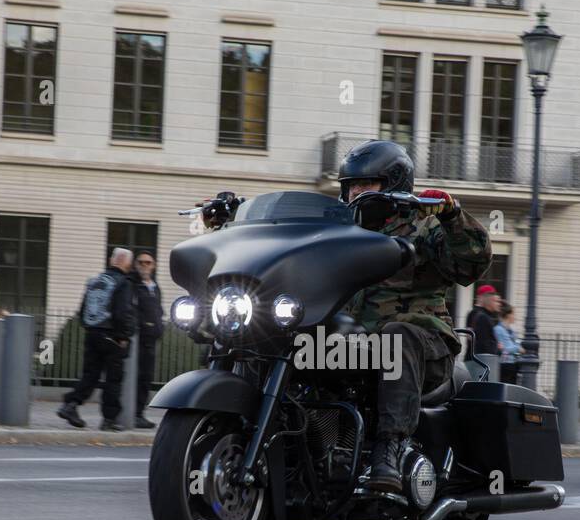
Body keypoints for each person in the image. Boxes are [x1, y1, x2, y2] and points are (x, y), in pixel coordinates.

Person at [198, 138, 491, 493]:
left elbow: (470, 264)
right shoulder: (335, 227)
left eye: (366, 184)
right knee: (268, 338)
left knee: (397, 336)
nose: (356, 193)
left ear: (395, 184)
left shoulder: (423, 225)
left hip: (422, 344)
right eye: (351, 185)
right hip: (351, 343)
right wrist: (233, 217)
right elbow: (283, 245)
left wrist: (452, 214)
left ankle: (390, 449)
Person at [57, 248, 135, 431]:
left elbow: (82, 310)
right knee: (113, 379)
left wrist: (89, 327)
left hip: (92, 333)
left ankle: (71, 405)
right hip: (112, 336)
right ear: (127, 263)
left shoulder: (94, 281)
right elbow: (122, 312)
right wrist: (123, 335)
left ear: (111, 260)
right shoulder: (123, 283)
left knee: (90, 375)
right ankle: (109, 420)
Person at [131, 250, 163, 430]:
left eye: (148, 262)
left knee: (146, 378)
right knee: (136, 377)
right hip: (139, 339)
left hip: (152, 340)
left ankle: (139, 413)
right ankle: (134, 413)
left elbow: (158, 310)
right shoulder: (134, 286)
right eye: (141, 262)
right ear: (136, 265)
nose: (144, 266)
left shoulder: (155, 287)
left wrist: (160, 327)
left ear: (153, 265)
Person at [465, 285, 501, 359]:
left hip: (472, 358)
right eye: (495, 301)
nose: (498, 304)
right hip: (481, 361)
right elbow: (484, 343)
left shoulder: (472, 313)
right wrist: (497, 348)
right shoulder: (483, 317)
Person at [493, 303, 523, 384]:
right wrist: (518, 349)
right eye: (513, 314)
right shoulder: (498, 329)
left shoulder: (512, 331)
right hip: (504, 365)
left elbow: (516, 345)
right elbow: (505, 349)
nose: (515, 316)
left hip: (513, 364)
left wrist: (517, 348)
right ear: (508, 315)